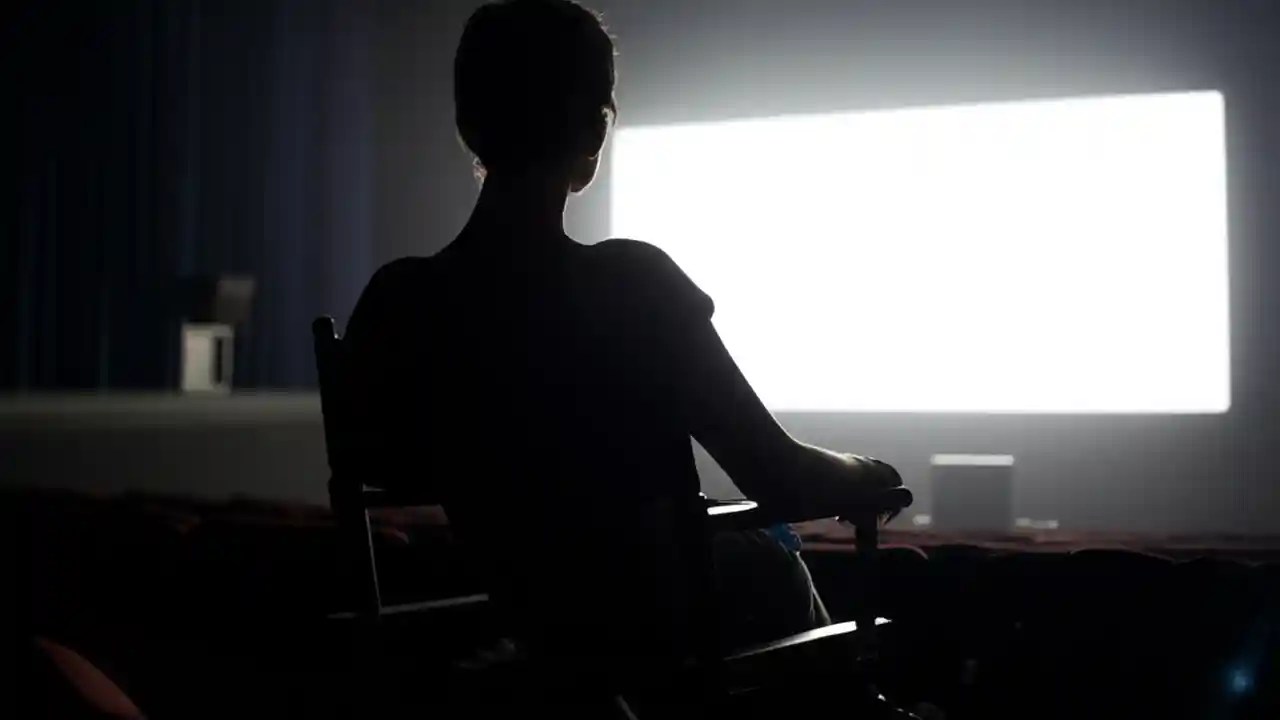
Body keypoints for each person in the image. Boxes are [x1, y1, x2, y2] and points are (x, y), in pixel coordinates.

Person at [343, 0, 903, 674]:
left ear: (467, 123)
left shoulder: (397, 303)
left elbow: (385, 468)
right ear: (595, 129)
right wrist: (866, 476)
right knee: (769, 556)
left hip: (537, 624)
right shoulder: (634, 284)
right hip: (665, 638)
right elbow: (775, 473)